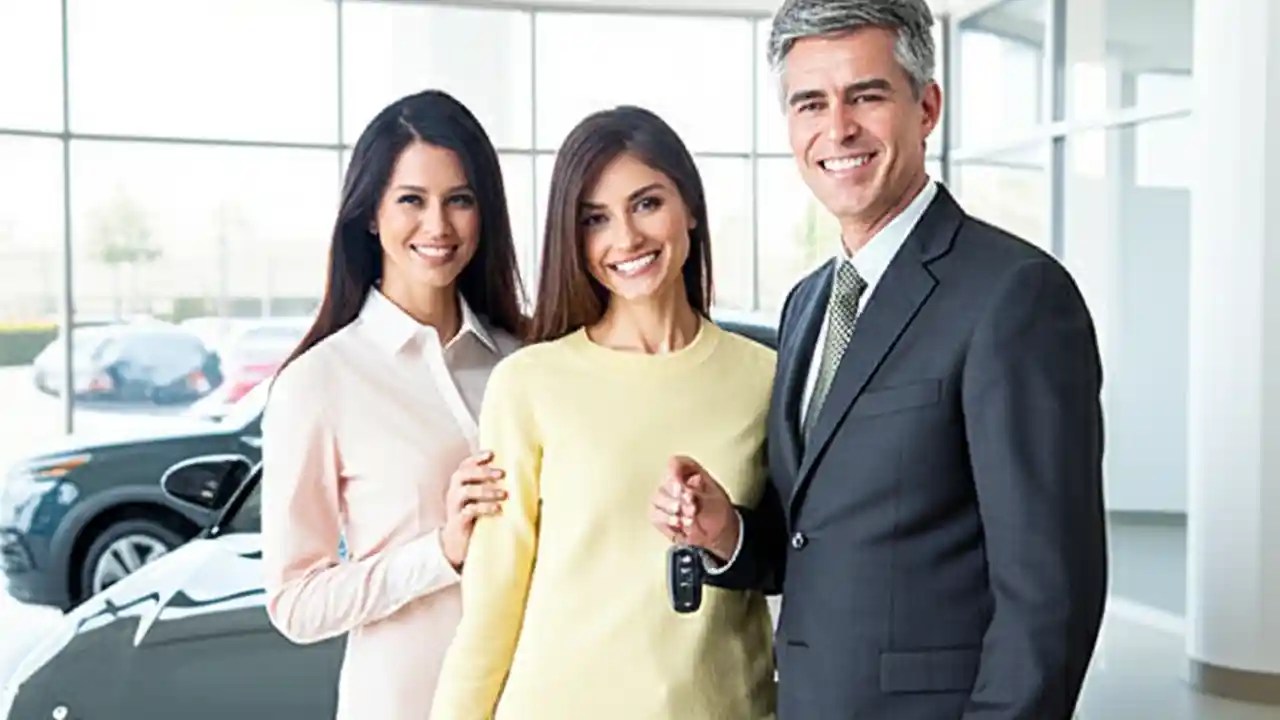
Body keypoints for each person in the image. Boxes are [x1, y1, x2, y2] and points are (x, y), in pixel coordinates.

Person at [651, 1, 1108, 718]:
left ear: (926, 107)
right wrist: (727, 531)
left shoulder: (1015, 296)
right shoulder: (808, 305)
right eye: (811, 103)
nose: (838, 129)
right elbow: (816, 539)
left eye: (866, 95)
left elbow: (1050, 596)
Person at [430, 106, 777, 719]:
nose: (626, 239)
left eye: (647, 204)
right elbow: (492, 607)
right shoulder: (529, 385)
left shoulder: (765, 379)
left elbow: (793, 561)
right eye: (596, 219)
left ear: (689, 208)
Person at [259, 89, 525, 719]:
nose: (438, 226)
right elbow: (295, 603)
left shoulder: (525, 361)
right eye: (412, 200)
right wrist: (443, 552)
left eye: (460, 200)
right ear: (372, 214)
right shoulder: (321, 381)